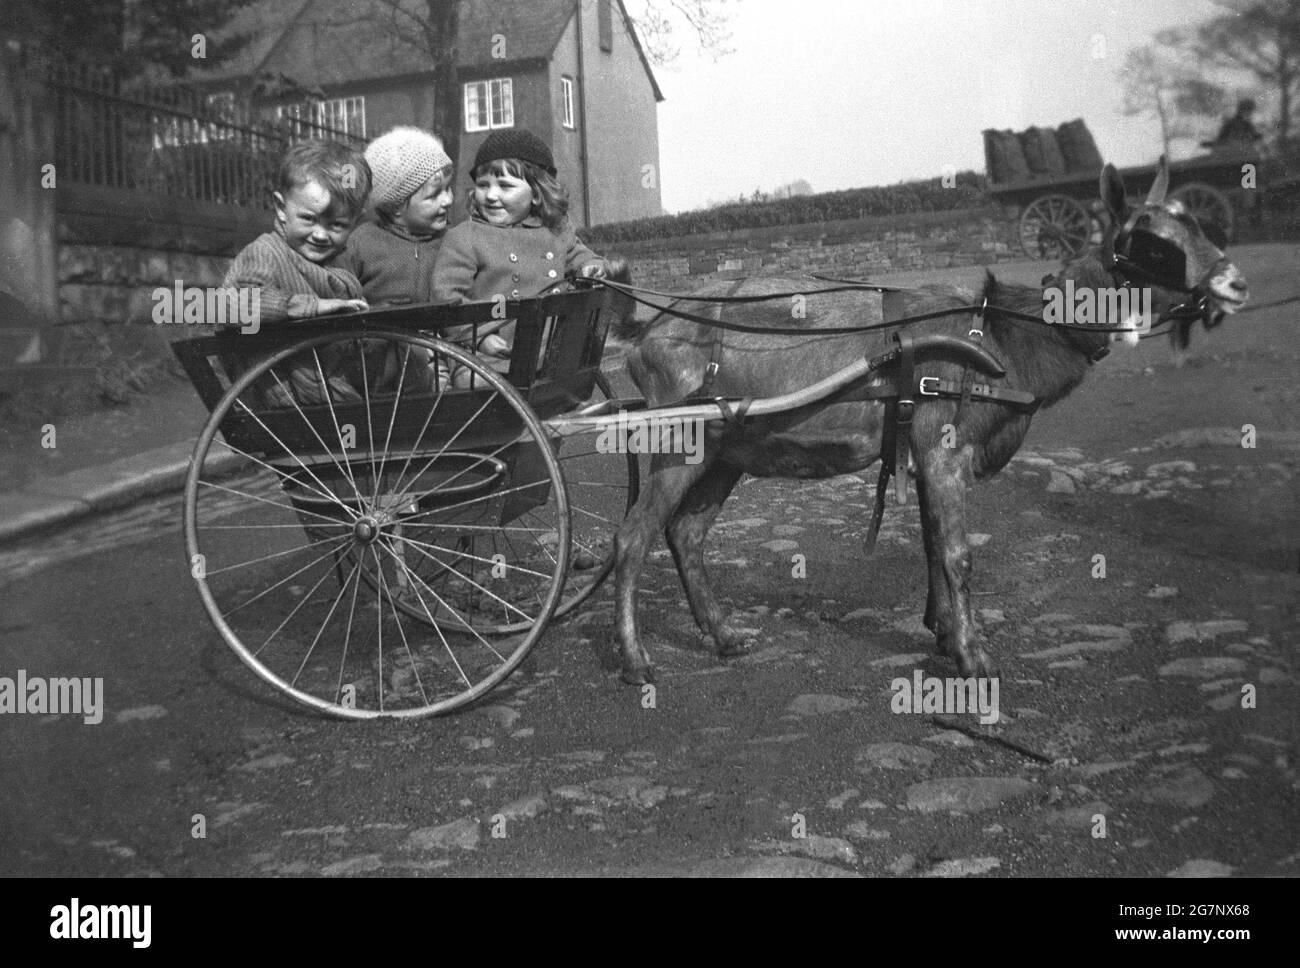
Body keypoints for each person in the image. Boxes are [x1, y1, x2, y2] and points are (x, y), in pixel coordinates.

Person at [432, 128, 609, 387]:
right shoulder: (465, 237)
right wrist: (480, 337)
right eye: (483, 185)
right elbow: (446, 296)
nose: (491, 195)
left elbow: (583, 257)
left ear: (537, 193)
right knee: (480, 384)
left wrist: (592, 268)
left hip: (548, 354)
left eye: (505, 186)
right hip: (485, 358)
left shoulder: (555, 231)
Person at [222, 140, 371, 406]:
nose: (321, 235)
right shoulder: (265, 253)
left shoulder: (337, 264)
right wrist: (311, 306)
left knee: (405, 352)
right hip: (289, 395)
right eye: (309, 219)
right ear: (281, 209)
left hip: (329, 386)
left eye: (337, 225)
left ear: (355, 223)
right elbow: (232, 305)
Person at [337, 125, 456, 388]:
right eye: (435, 194)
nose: (448, 200)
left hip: (444, 351)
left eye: (448, 189)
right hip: (380, 356)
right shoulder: (362, 242)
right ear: (396, 207)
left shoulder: (454, 242)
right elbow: (340, 291)